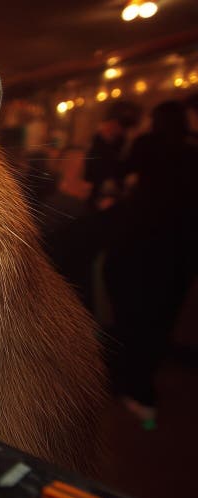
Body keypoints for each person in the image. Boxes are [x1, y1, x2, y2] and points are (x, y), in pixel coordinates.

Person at [102, 100, 198, 426]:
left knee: (129, 312)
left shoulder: (147, 144)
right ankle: (140, 389)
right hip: (179, 250)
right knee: (159, 321)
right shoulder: (193, 150)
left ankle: (123, 381)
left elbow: (118, 171)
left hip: (140, 242)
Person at [83, 100, 142, 211]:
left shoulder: (120, 142)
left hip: (112, 196)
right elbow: (93, 171)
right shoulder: (98, 143)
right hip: (97, 196)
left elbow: (121, 168)